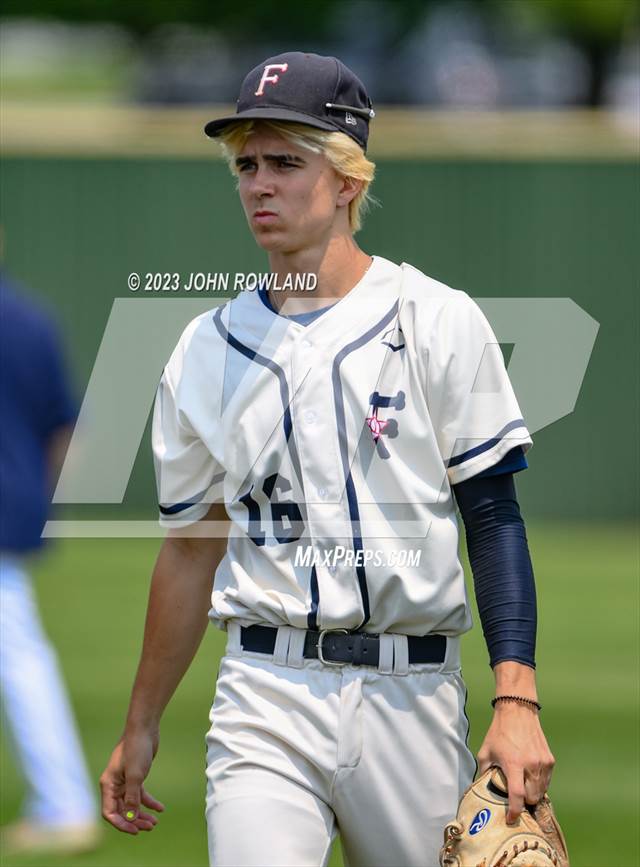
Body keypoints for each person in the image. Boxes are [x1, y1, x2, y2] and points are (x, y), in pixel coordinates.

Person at [100, 52, 555, 866]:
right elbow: (189, 549)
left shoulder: (437, 319)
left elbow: (493, 517)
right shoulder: (206, 348)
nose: (258, 184)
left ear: (346, 180)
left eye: (285, 161)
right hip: (264, 692)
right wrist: (141, 723)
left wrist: (516, 697)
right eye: (246, 164)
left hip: (412, 694)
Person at [0, 272, 100, 856]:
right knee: (18, 655)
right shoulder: (30, 318)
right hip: (14, 503)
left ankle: (63, 804)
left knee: (18, 657)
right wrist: (42, 501)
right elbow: (65, 430)